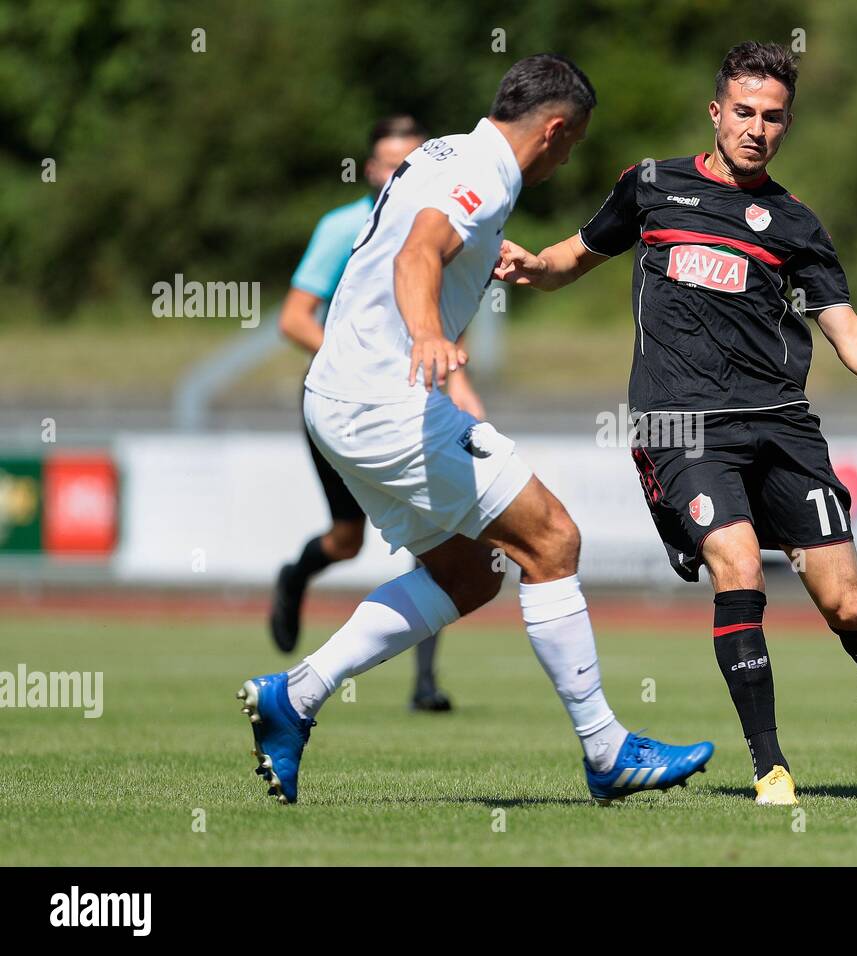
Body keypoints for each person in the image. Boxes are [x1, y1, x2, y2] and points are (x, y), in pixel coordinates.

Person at [493, 42, 857, 805]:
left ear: (788, 125)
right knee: (739, 565)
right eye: (745, 112)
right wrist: (533, 268)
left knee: (847, 606)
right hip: (679, 426)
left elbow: (846, 334)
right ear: (717, 112)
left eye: (774, 117)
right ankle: (771, 767)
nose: (757, 128)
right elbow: (577, 255)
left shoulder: (794, 224)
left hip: (781, 425)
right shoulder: (652, 186)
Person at [238, 54, 714, 805]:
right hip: (387, 401)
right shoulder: (488, 177)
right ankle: (607, 751)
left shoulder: (445, 151)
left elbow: (423, 235)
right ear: (555, 129)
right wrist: (429, 332)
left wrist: (493, 265)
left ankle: (294, 696)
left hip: (333, 399)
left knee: (468, 575)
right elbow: (420, 248)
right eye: (574, 141)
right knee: (553, 539)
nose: (571, 155)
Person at [270, 115, 470, 713]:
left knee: (440, 532)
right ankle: (296, 575)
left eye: (413, 157)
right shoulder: (343, 225)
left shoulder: (443, 222)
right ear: (369, 169)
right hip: (346, 402)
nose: (401, 169)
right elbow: (293, 317)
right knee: (347, 541)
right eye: (390, 160)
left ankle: (425, 683)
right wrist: (360, 360)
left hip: (414, 398)